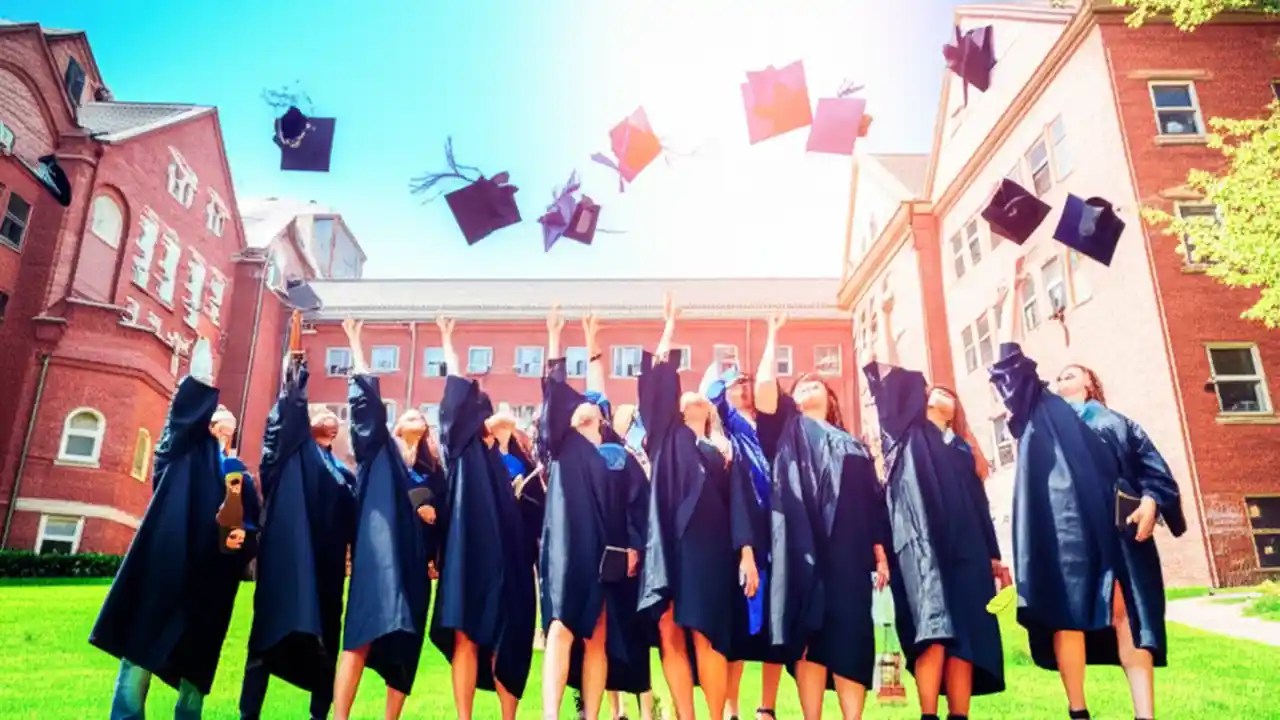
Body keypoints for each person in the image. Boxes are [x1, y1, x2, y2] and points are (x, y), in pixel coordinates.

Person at [989, 261, 1185, 720]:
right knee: (1067, 614)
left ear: (1091, 383)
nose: (1061, 379)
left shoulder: (1119, 424)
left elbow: (1157, 475)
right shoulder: (1039, 411)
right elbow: (1008, 359)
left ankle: (1145, 714)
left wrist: (1152, 503)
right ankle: (1078, 710)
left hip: (1121, 531)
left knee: (1128, 614)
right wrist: (1013, 294)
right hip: (1066, 533)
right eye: (1057, 376)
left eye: (1071, 374)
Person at [90, 338, 259, 720]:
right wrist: (201, 376)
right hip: (167, 567)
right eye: (214, 411)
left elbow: (251, 526)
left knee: (195, 668)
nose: (222, 414)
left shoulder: (240, 475)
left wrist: (243, 538)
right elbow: (183, 413)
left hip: (210, 579)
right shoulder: (179, 453)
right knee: (141, 651)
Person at [863, 294, 1007, 720]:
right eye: (932, 391)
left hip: (968, 549)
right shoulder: (904, 431)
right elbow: (891, 374)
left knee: (967, 636)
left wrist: (994, 556)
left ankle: (958, 716)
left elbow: (980, 506)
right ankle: (929, 714)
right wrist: (886, 318)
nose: (939, 393)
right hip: (921, 542)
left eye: (948, 392)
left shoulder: (963, 450)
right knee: (934, 628)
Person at [754, 312, 891, 720]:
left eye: (817, 384)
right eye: (802, 385)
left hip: (848, 550)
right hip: (800, 546)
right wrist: (773, 334)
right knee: (807, 636)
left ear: (831, 399)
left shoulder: (853, 444)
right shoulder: (785, 428)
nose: (808, 387)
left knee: (850, 634)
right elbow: (764, 389)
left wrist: (879, 551)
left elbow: (872, 501)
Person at [638, 294, 756, 720]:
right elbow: (657, 380)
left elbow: (740, 504)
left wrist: (746, 555)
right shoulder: (665, 437)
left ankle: (714, 715)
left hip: (709, 549)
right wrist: (669, 328)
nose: (691, 398)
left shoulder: (724, 450)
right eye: (683, 395)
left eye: (699, 398)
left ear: (710, 409)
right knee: (669, 628)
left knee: (707, 632)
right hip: (667, 544)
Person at [540, 307, 649, 719]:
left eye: (592, 406)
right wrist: (556, 337)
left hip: (609, 551)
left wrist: (635, 546)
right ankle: (551, 715)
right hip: (568, 545)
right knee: (561, 626)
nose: (584, 406)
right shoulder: (562, 444)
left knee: (599, 634)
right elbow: (554, 391)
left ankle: (591, 714)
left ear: (602, 416)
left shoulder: (618, 455)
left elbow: (639, 502)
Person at [430, 315, 536, 720]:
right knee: (466, 633)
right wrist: (448, 342)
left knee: (510, 636)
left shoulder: (511, 458)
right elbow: (455, 393)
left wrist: (507, 446)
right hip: (469, 551)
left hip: (510, 556)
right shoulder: (461, 449)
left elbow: (535, 505)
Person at [240, 363, 357, 720]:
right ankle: (249, 713)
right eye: (321, 414)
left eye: (336, 419)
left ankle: (319, 714)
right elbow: (285, 419)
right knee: (267, 632)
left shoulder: (345, 474)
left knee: (326, 636)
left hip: (327, 567)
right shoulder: (289, 454)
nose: (331, 419)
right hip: (287, 558)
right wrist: (296, 382)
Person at [331, 319, 434, 720]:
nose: (416, 416)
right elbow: (366, 405)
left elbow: (445, 520)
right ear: (395, 426)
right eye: (409, 414)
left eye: (421, 415)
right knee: (361, 633)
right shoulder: (378, 452)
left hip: (414, 563)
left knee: (406, 646)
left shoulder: (431, 473)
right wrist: (357, 344)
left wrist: (433, 522)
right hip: (379, 555)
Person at [702, 358, 786, 720]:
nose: (744, 388)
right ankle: (732, 709)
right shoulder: (730, 428)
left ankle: (767, 708)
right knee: (740, 622)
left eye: (748, 382)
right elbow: (710, 395)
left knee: (776, 623)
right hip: (743, 528)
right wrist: (723, 372)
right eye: (737, 384)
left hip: (779, 528)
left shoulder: (774, 425)